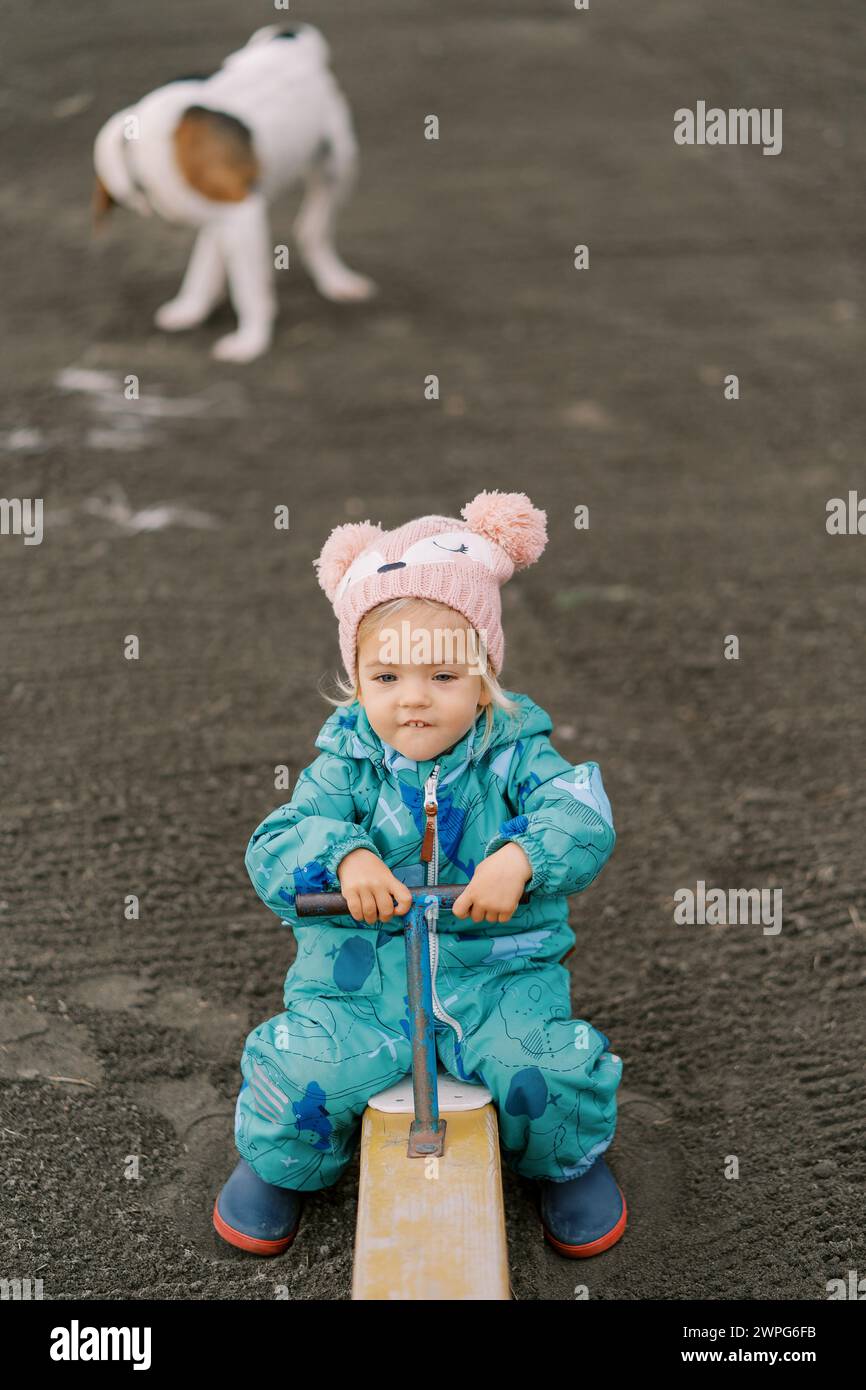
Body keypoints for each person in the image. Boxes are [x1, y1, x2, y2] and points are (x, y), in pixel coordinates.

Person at [213, 489, 626, 1259]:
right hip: (360, 984)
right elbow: (279, 840)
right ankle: (282, 1164)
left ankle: (565, 1163)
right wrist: (346, 855)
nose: (412, 701)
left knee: (545, 1067)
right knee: (304, 1070)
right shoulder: (346, 763)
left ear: (484, 676)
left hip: (496, 978)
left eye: (442, 677)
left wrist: (522, 855)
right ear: (358, 680)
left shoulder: (514, 752)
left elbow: (583, 811)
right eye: (387, 677)